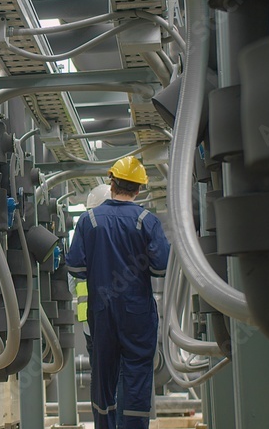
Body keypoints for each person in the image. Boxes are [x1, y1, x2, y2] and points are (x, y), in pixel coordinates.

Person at [66, 156, 170, 429]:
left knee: (103, 374)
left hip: (102, 312)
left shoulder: (89, 221)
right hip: (137, 313)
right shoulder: (147, 221)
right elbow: (161, 267)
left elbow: (75, 265)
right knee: (136, 375)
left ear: (111, 182)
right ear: (139, 189)